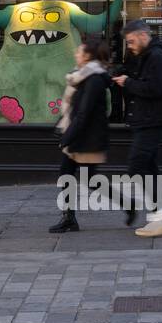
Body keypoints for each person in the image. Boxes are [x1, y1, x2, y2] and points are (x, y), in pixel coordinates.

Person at [112, 19, 162, 236]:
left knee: (136, 165)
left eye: (131, 41)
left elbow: (154, 89)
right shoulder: (142, 56)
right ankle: (160, 219)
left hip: (154, 120)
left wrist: (127, 83)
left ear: (142, 36)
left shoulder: (158, 58)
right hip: (145, 119)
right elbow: (132, 73)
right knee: (148, 168)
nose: (129, 45)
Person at [49, 36, 112, 233]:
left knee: (91, 180)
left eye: (79, 51)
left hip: (88, 138)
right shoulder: (81, 75)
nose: (76, 54)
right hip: (78, 135)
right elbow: (75, 108)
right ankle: (69, 218)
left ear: (88, 56)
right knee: (66, 174)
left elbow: (84, 113)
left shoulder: (94, 80)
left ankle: (129, 204)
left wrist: (67, 137)